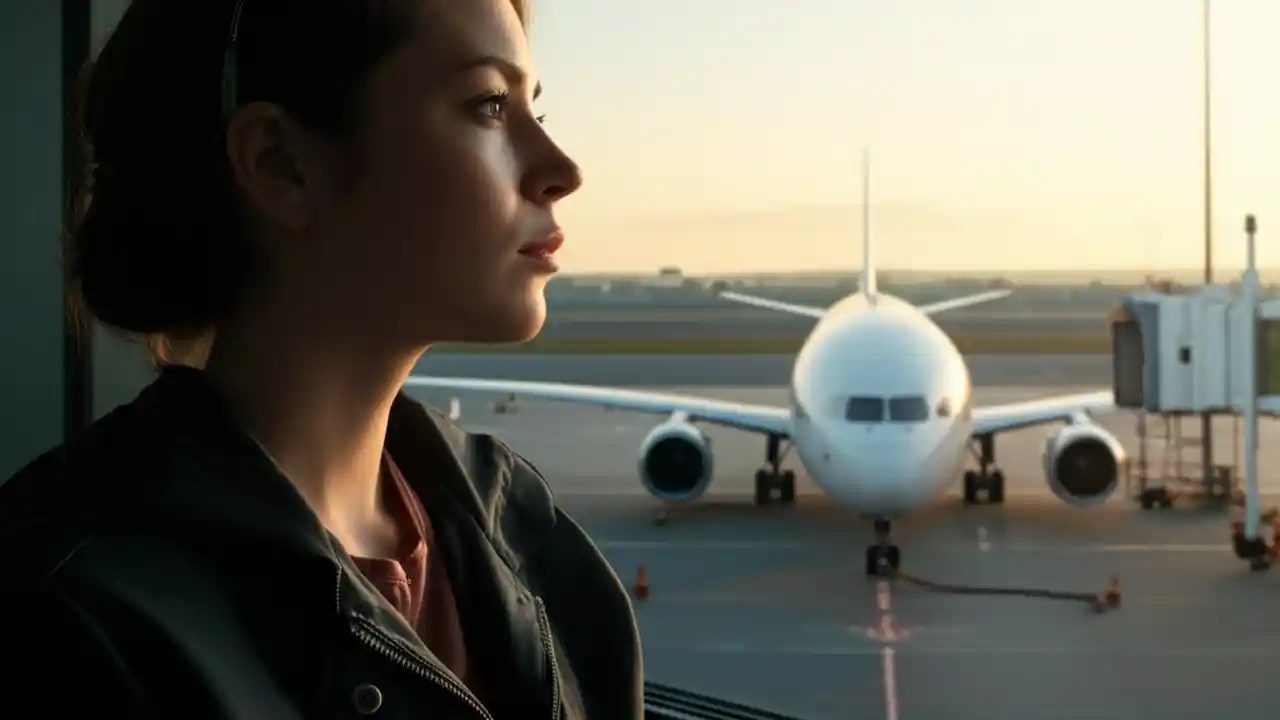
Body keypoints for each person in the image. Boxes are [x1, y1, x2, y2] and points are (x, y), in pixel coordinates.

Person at [0, 1, 643, 717]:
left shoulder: (528, 535)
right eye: (489, 105)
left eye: (536, 110)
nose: (562, 170)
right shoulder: (67, 621)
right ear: (283, 166)